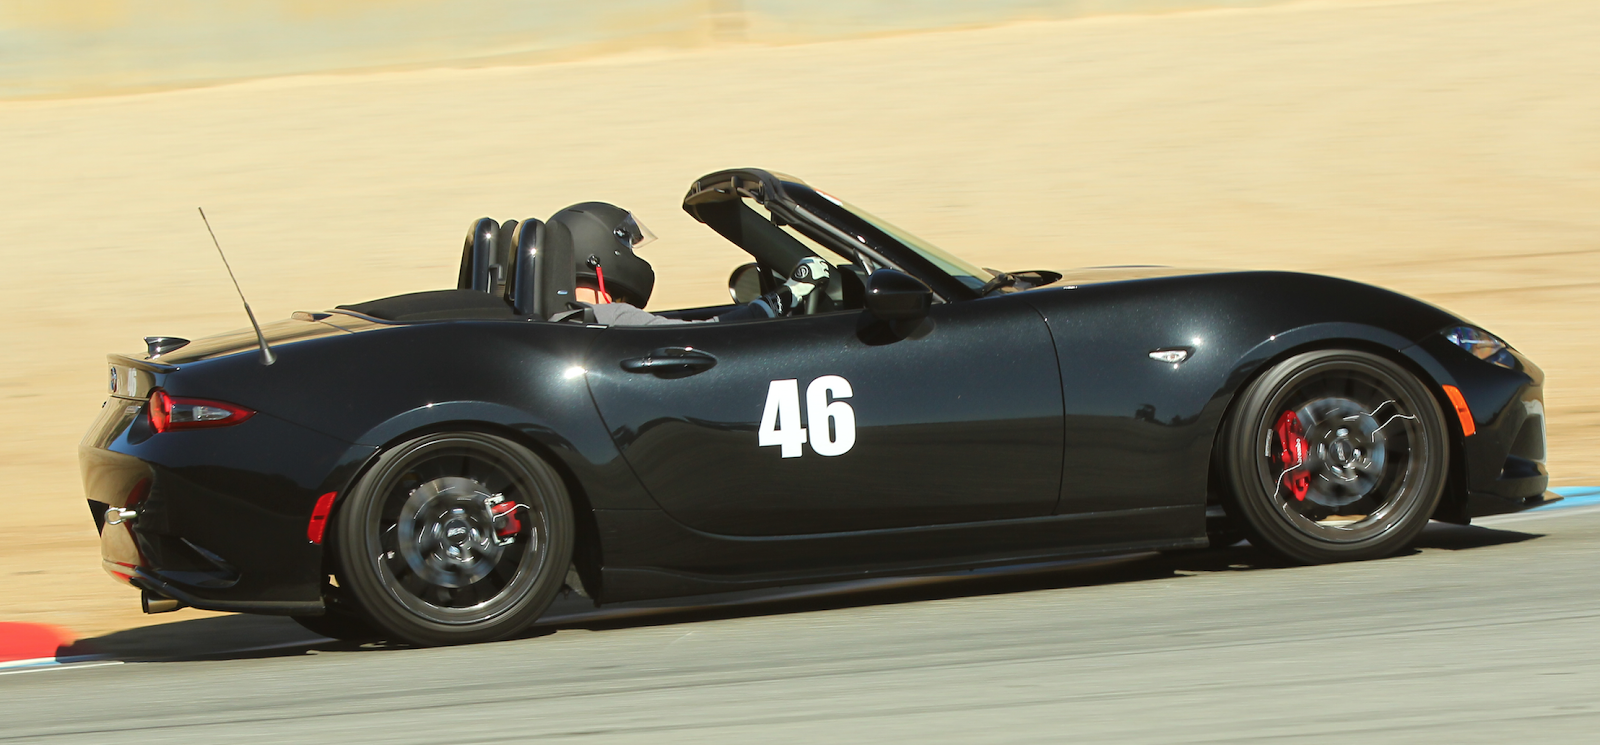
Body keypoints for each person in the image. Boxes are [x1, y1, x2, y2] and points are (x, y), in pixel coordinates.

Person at [549, 202, 831, 326]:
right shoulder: (608, 318)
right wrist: (784, 296)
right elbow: (707, 339)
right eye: (627, 245)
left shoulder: (558, 318)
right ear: (597, 255)